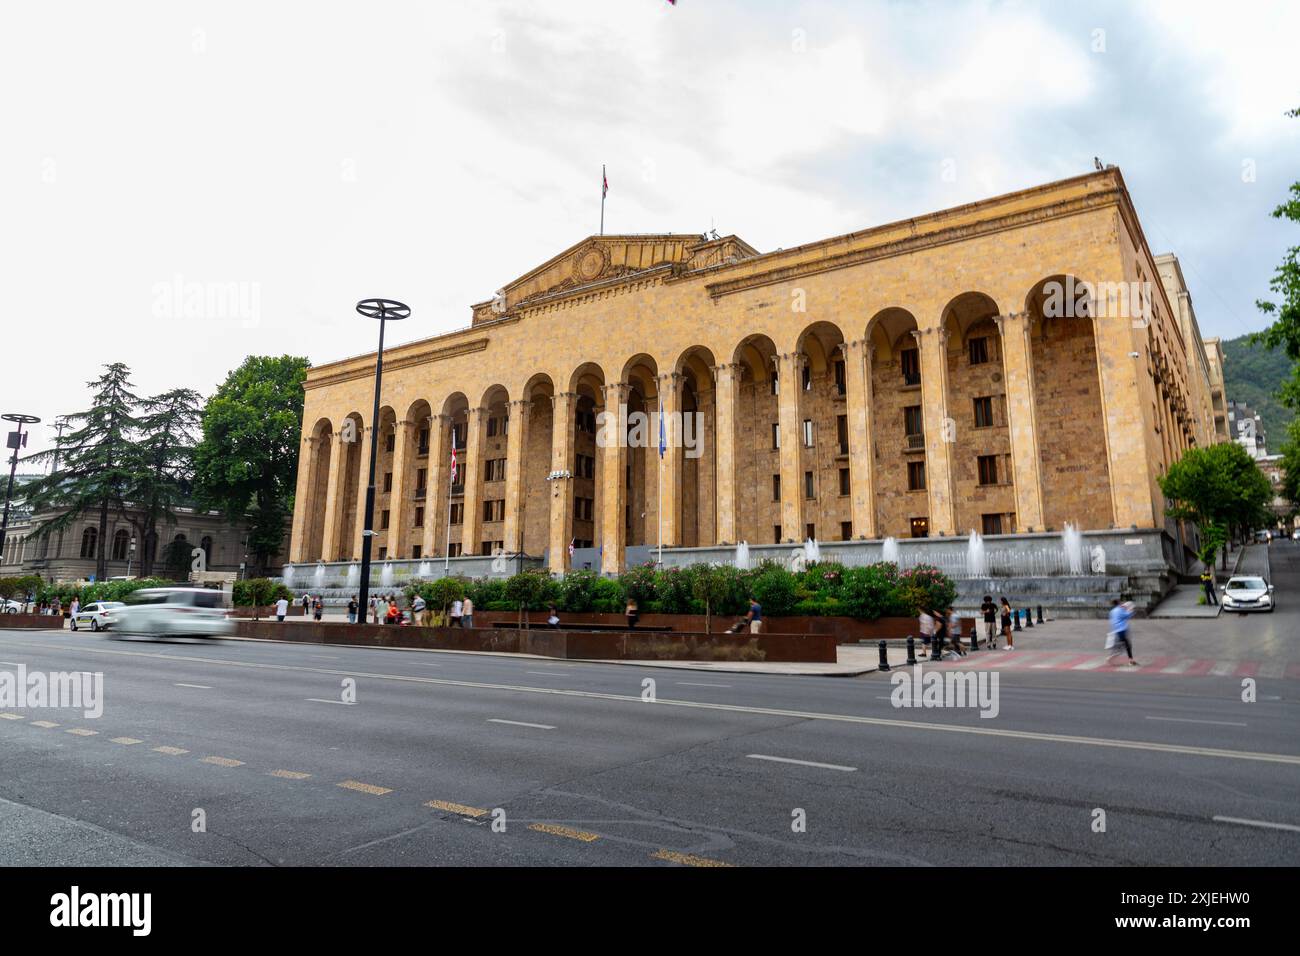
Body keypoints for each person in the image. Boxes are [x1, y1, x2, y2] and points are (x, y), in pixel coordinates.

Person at [1107, 599, 1138, 666]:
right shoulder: (1119, 610)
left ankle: (1111, 658)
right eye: (1120, 602)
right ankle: (1131, 661)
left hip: (1116, 630)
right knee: (1127, 646)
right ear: (1118, 603)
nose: (1121, 603)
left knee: (1123, 646)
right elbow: (1127, 616)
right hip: (1122, 630)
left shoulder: (1112, 611)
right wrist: (1131, 610)